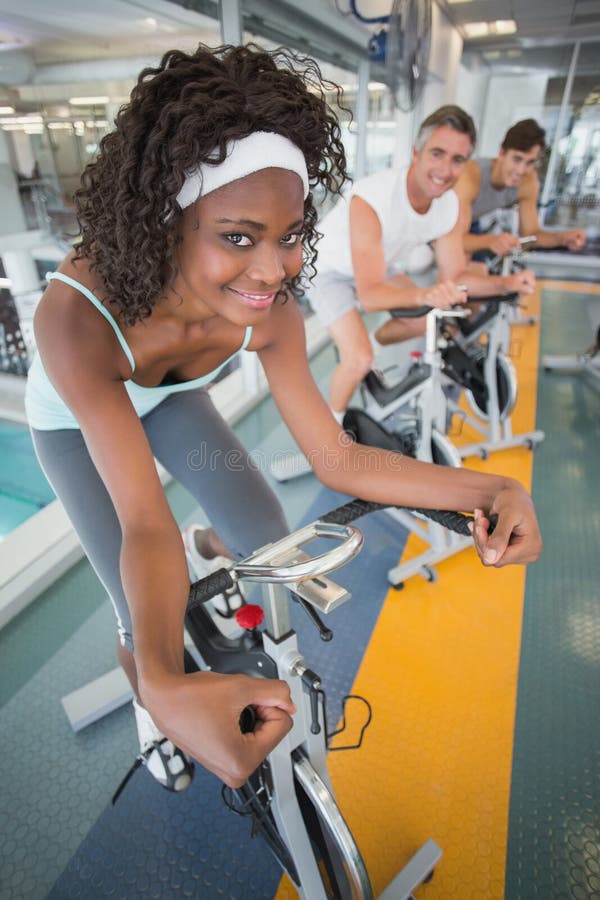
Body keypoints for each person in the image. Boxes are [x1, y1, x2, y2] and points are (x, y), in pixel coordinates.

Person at [25, 45, 541, 793]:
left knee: (266, 531)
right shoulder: (75, 318)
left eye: (290, 236)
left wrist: (489, 489)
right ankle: (150, 707)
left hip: (170, 394)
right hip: (74, 421)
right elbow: (144, 525)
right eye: (238, 237)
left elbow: (339, 460)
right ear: (169, 222)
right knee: (141, 611)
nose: (273, 270)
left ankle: (210, 553)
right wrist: (168, 691)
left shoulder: (270, 312)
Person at [309, 105, 536, 423]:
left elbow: (456, 276)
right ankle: (328, 440)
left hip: (377, 263)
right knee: (359, 359)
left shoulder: (447, 207)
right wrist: (425, 295)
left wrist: (507, 284)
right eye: (437, 154)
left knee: (427, 320)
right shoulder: (373, 198)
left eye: (457, 160)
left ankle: (368, 343)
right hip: (328, 268)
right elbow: (372, 295)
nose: (445, 170)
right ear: (417, 152)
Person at [453, 118, 587, 259]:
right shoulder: (471, 176)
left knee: (481, 271)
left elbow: (531, 235)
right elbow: (456, 239)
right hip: (447, 223)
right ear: (501, 153)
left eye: (530, 162)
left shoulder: (528, 181)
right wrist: (491, 240)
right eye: (517, 159)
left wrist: (561, 238)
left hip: (472, 224)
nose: (521, 170)